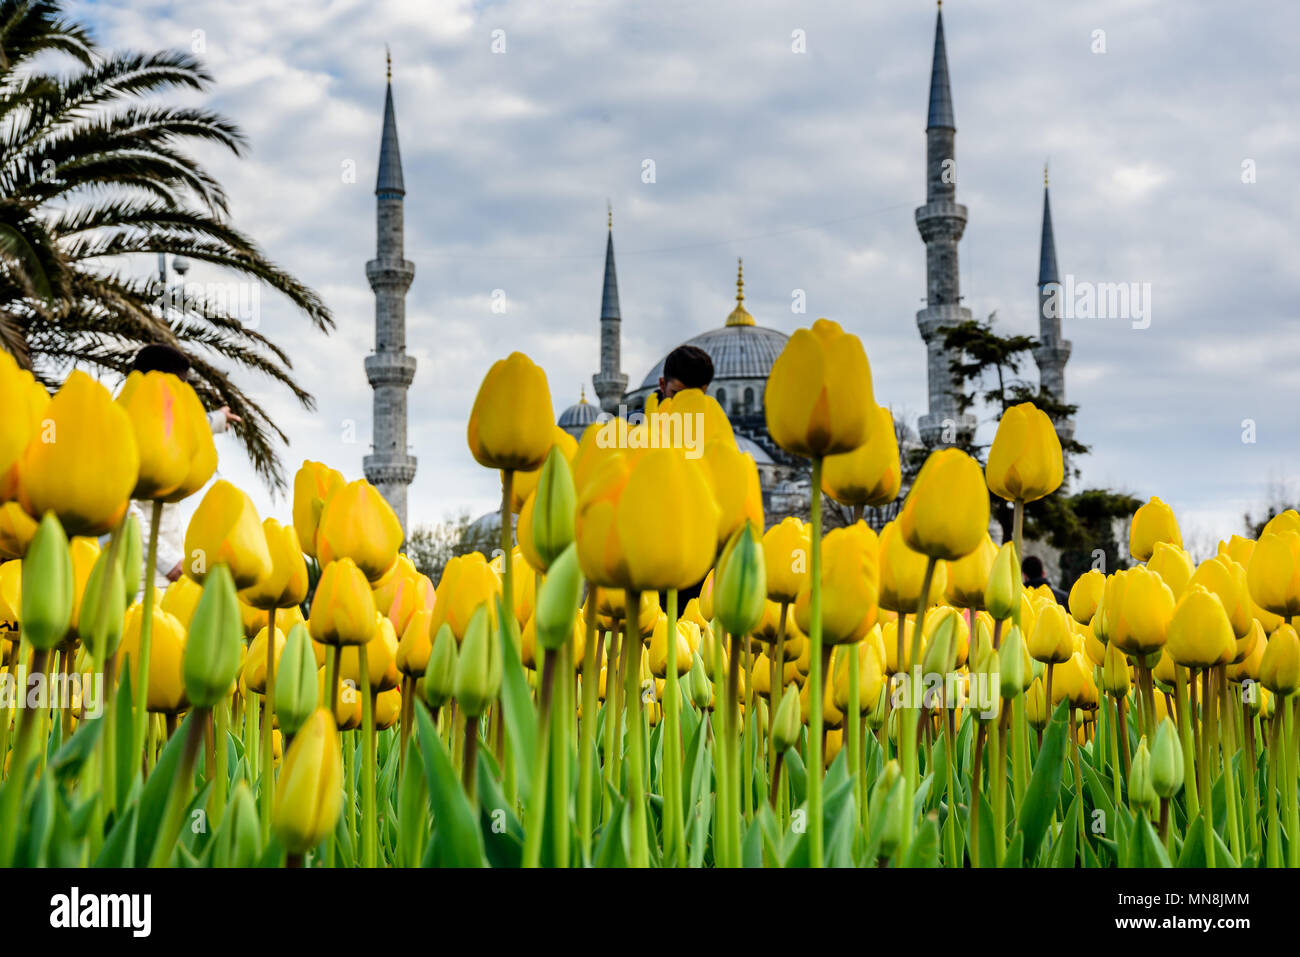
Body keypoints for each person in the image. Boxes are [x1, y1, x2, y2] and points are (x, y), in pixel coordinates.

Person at [126, 345, 240, 590]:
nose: (183, 393)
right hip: (137, 579)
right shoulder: (124, 427)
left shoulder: (156, 422)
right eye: (179, 384)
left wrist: (218, 418)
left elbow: (185, 429)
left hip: (166, 576)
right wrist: (169, 562)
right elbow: (123, 509)